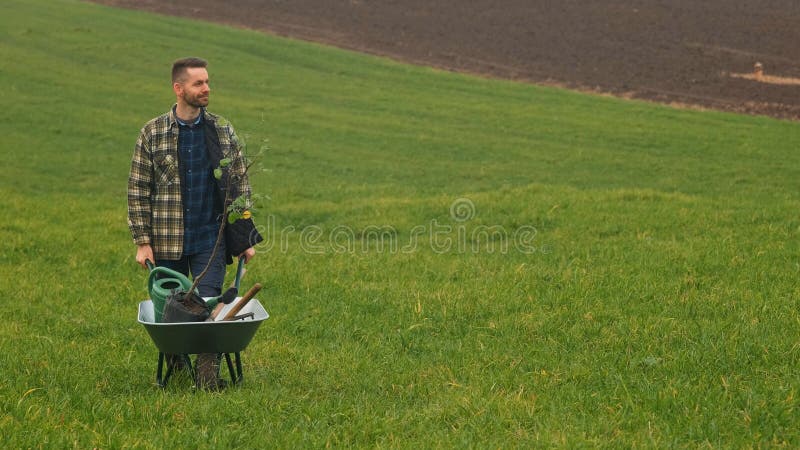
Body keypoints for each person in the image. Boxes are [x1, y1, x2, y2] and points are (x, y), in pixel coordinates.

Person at [128, 57, 262, 297]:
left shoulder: (222, 129)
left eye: (207, 82)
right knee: (172, 312)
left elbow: (240, 187)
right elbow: (138, 190)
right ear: (178, 89)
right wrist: (142, 243)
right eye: (198, 83)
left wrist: (244, 237)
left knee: (207, 306)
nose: (206, 88)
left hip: (210, 242)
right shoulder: (152, 133)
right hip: (166, 241)